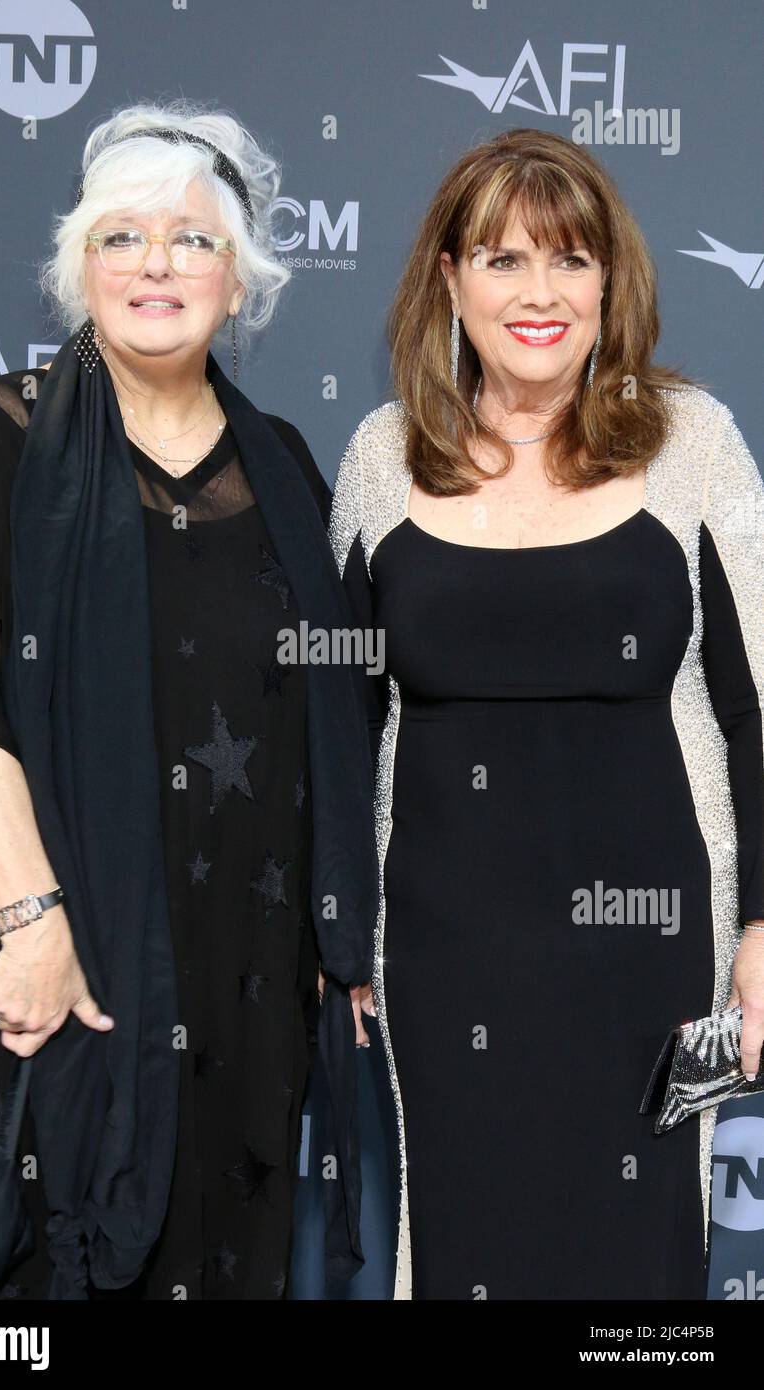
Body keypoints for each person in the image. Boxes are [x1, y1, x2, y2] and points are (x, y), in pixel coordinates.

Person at [0, 101, 377, 1300]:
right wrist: (33, 922)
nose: (154, 265)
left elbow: (324, 725)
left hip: (247, 982)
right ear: (77, 267)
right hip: (57, 968)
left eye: (192, 239)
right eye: (121, 237)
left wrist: (335, 932)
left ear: (244, 278)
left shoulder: (283, 465)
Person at [330, 126, 764, 1299]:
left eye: (570, 261)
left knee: (637, 1261)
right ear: (446, 279)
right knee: (460, 1243)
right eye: (503, 259)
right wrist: (342, 935)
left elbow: (753, 706)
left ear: (610, 283)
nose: (538, 293)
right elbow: (340, 723)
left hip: (652, 950)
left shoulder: (690, 448)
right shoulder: (381, 460)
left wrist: (760, 937)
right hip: (438, 956)